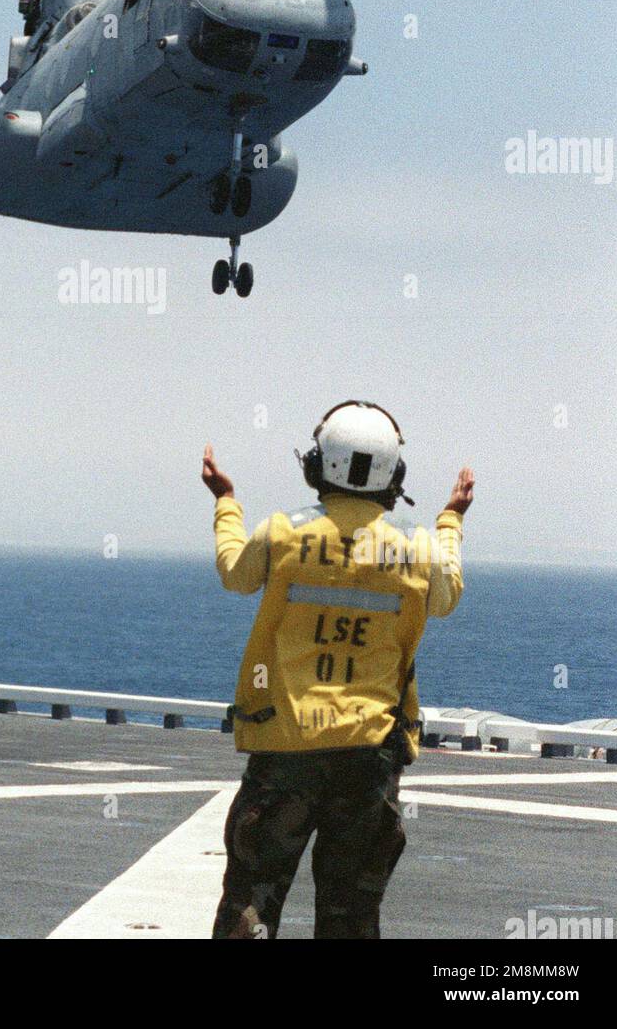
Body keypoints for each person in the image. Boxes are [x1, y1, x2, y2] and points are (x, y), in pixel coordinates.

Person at [201, 400, 474, 939]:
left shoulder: (282, 533)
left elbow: (235, 573)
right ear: (394, 475)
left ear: (314, 466)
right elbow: (446, 596)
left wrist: (226, 502)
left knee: (251, 903)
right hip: (369, 753)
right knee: (350, 914)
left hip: (286, 746)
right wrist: (451, 520)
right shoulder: (416, 547)